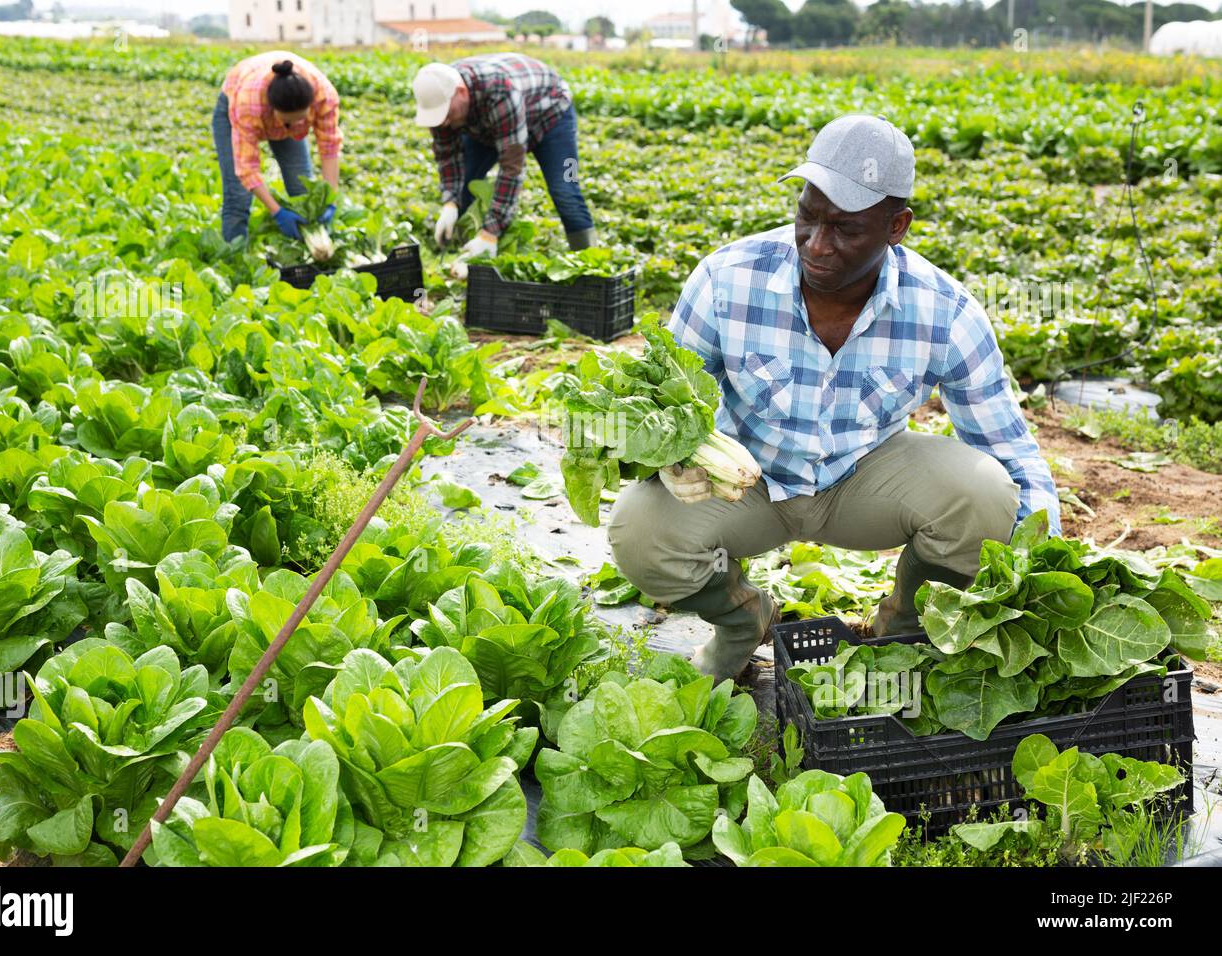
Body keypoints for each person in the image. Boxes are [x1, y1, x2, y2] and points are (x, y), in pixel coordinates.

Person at [607, 114, 1061, 684]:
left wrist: (1049, 566)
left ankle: (902, 632)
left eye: (846, 230)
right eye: (808, 216)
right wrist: (668, 459)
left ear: (897, 226)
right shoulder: (727, 279)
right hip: (749, 484)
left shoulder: (944, 310)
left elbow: (1009, 448)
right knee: (640, 531)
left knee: (986, 493)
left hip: (863, 481)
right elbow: (661, 397)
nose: (817, 245)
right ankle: (745, 620)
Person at [411, 54, 596, 278]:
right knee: (464, 188)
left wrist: (491, 232)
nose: (444, 122)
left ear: (460, 92)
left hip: (552, 115)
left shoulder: (499, 90)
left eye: (447, 114)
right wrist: (450, 202)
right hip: (489, 126)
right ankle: (467, 260)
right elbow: (447, 157)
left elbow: (512, 169)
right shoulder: (439, 98)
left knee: (565, 189)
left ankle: (590, 268)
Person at [212, 51, 342, 244]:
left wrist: (330, 199)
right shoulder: (250, 106)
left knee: (302, 189)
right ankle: (234, 256)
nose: (297, 123)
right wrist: (278, 212)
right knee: (238, 195)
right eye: (289, 120)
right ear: (272, 111)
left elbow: (329, 147)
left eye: (301, 118)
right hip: (235, 101)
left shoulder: (324, 97)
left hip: (283, 101)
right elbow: (247, 169)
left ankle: (303, 249)